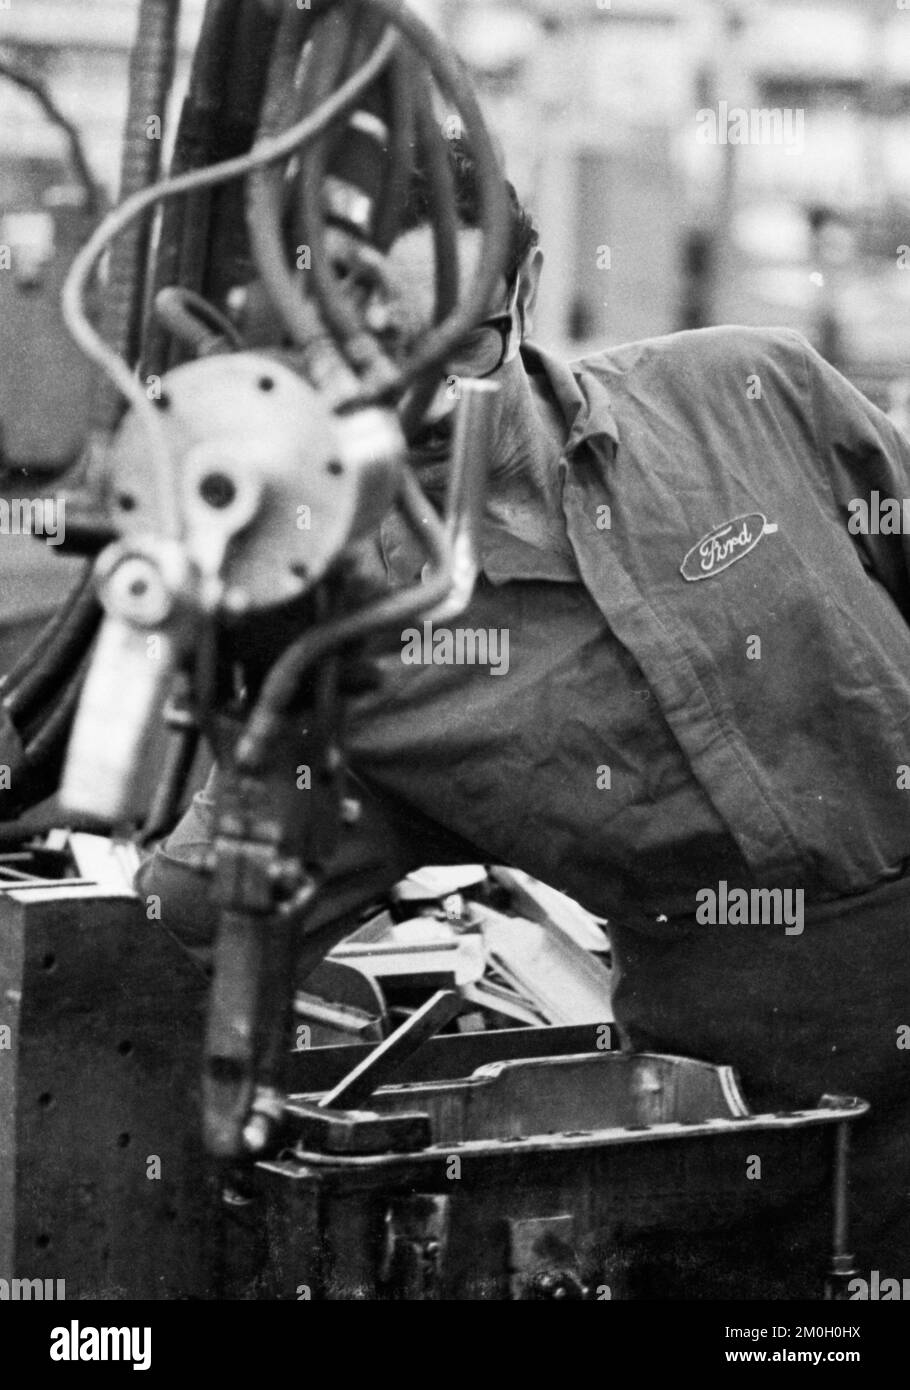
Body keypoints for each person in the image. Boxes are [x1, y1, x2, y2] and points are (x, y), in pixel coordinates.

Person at [139, 143, 910, 1295]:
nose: (424, 405)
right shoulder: (352, 652)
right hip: (754, 1135)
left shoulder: (755, 393)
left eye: (460, 349)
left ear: (526, 282)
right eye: (369, 366)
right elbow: (195, 920)